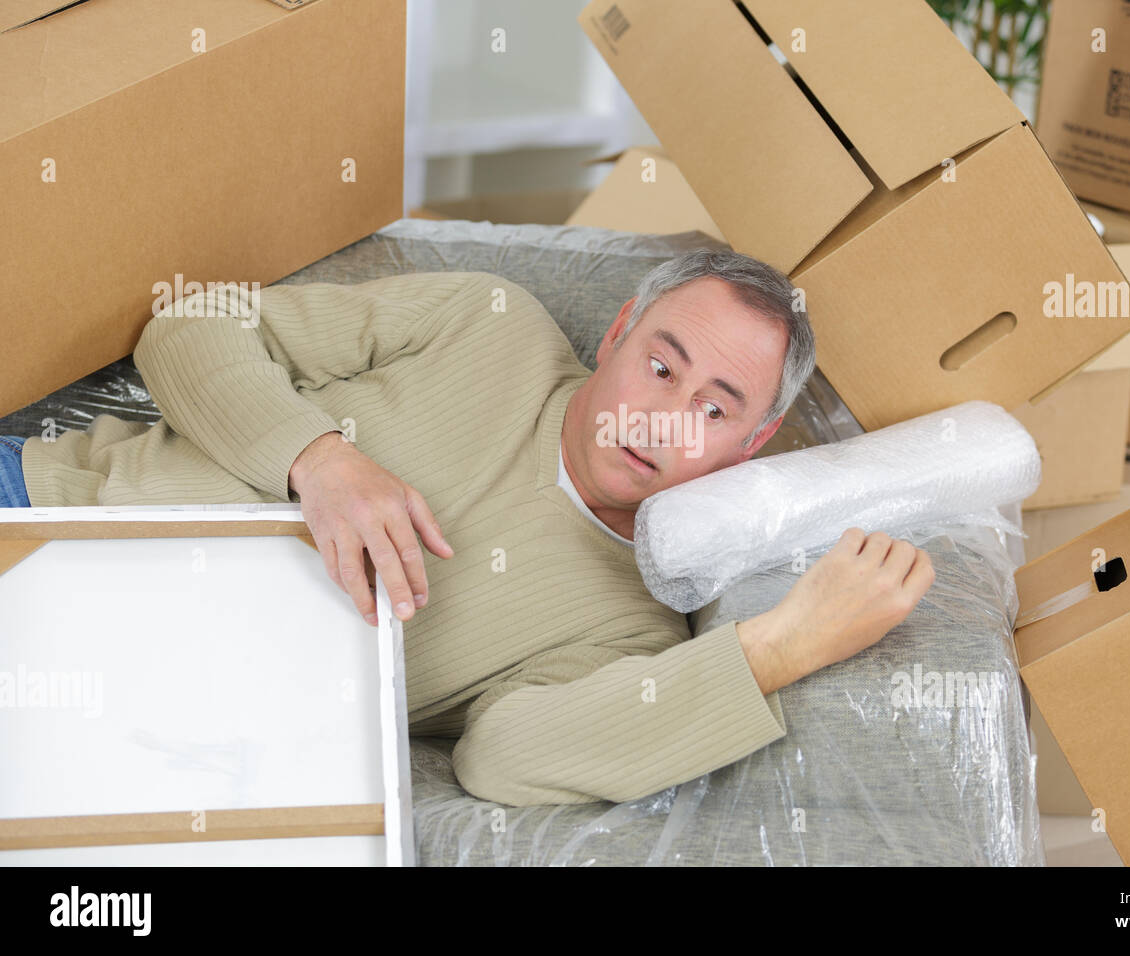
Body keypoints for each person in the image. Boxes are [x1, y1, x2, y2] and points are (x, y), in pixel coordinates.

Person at [9, 250, 933, 806]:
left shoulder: (630, 628)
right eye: (661, 367)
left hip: (129, 712)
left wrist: (778, 648)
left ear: (752, 445)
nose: (664, 418)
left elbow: (505, 757)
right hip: (42, 514)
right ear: (617, 333)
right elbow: (195, 321)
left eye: (715, 409)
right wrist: (320, 459)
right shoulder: (490, 324)